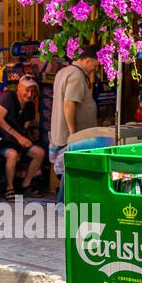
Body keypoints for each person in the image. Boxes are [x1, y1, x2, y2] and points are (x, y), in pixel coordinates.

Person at [48, 45, 100, 202]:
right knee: (70, 169)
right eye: (95, 65)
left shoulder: (64, 71)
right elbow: (69, 104)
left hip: (60, 131)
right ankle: (63, 203)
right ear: (88, 61)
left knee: (68, 168)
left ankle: (65, 202)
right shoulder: (76, 75)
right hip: (71, 134)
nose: (95, 70)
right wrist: (73, 133)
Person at [0, 75, 46, 199]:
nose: (29, 94)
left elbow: (25, 127)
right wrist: (19, 138)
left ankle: (25, 186)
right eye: (27, 90)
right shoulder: (8, 97)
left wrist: (25, 140)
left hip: (17, 142)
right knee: (12, 154)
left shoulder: (29, 105)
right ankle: (9, 188)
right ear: (19, 87)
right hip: (1, 142)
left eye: (32, 91)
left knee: (39, 153)